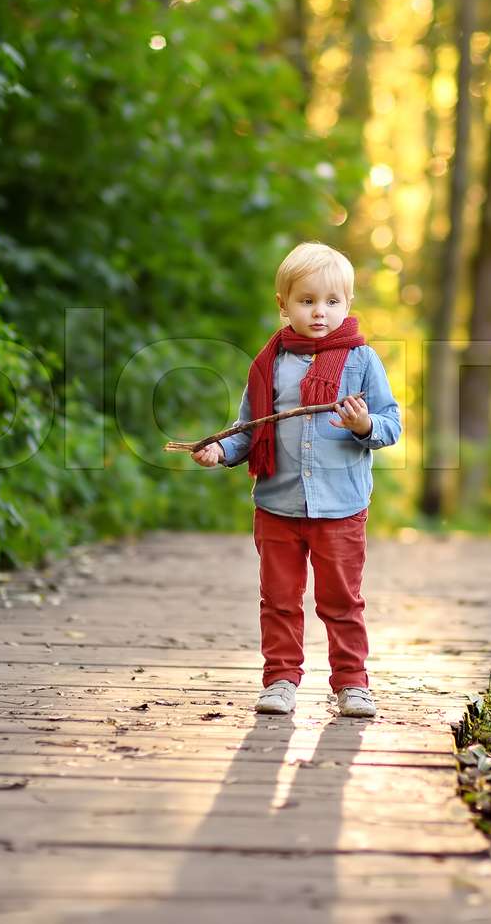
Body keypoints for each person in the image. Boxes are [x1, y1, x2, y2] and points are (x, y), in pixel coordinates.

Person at [189, 242, 402, 718]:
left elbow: (391, 424)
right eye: (307, 301)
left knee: (341, 600)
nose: (320, 312)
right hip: (278, 505)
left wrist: (363, 426)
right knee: (280, 599)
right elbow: (249, 429)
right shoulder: (269, 365)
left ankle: (351, 683)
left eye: (332, 301)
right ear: (283, 306)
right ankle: (281, 679)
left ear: (348, 304)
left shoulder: (361, 362)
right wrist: (221, 450)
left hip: (340, 507)